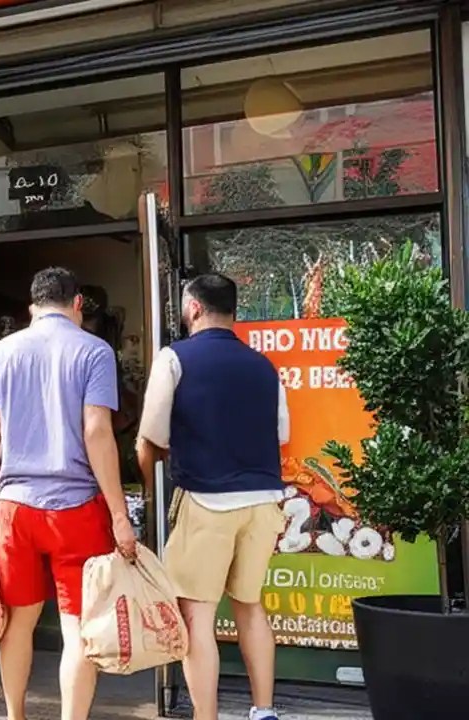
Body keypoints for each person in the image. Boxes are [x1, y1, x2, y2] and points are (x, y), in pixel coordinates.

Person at [0, 267, 137, 720]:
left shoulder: (0, 354)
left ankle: (15, 715)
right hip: (77, 509)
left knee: (17, 623)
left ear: (31, 307)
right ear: (78, 303)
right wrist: (120, 515)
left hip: (15, 508)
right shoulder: (95, 352)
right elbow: (98, 431)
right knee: (77, 628)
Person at [136, 273, 286, 720]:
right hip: (263, 501)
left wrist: (148, 490)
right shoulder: (264, 365)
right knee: (250, 604)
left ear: (194, 308)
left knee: (197, 616)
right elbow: (282, 432)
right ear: (233, 311)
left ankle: (207, 717)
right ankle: (264, 710)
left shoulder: (173, 358)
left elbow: (151, 436)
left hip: (206, 498)